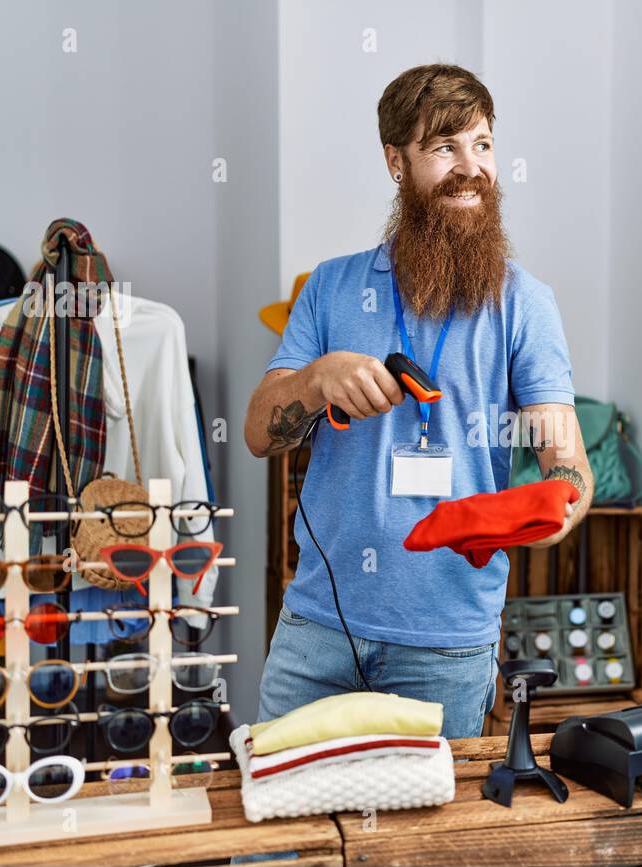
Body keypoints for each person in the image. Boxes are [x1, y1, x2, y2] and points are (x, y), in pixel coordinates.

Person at [244, 63, 594, 738]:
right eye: (444, 147)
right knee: (279, 831)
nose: (472, 168)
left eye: (483, 144)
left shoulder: (525, 303)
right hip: (318, 628)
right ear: (396, 163)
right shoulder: (331, 288)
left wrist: (541, 509)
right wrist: (316, 380)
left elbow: (569, 467)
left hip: (449, 643)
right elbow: (259, 433)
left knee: (424, 843)